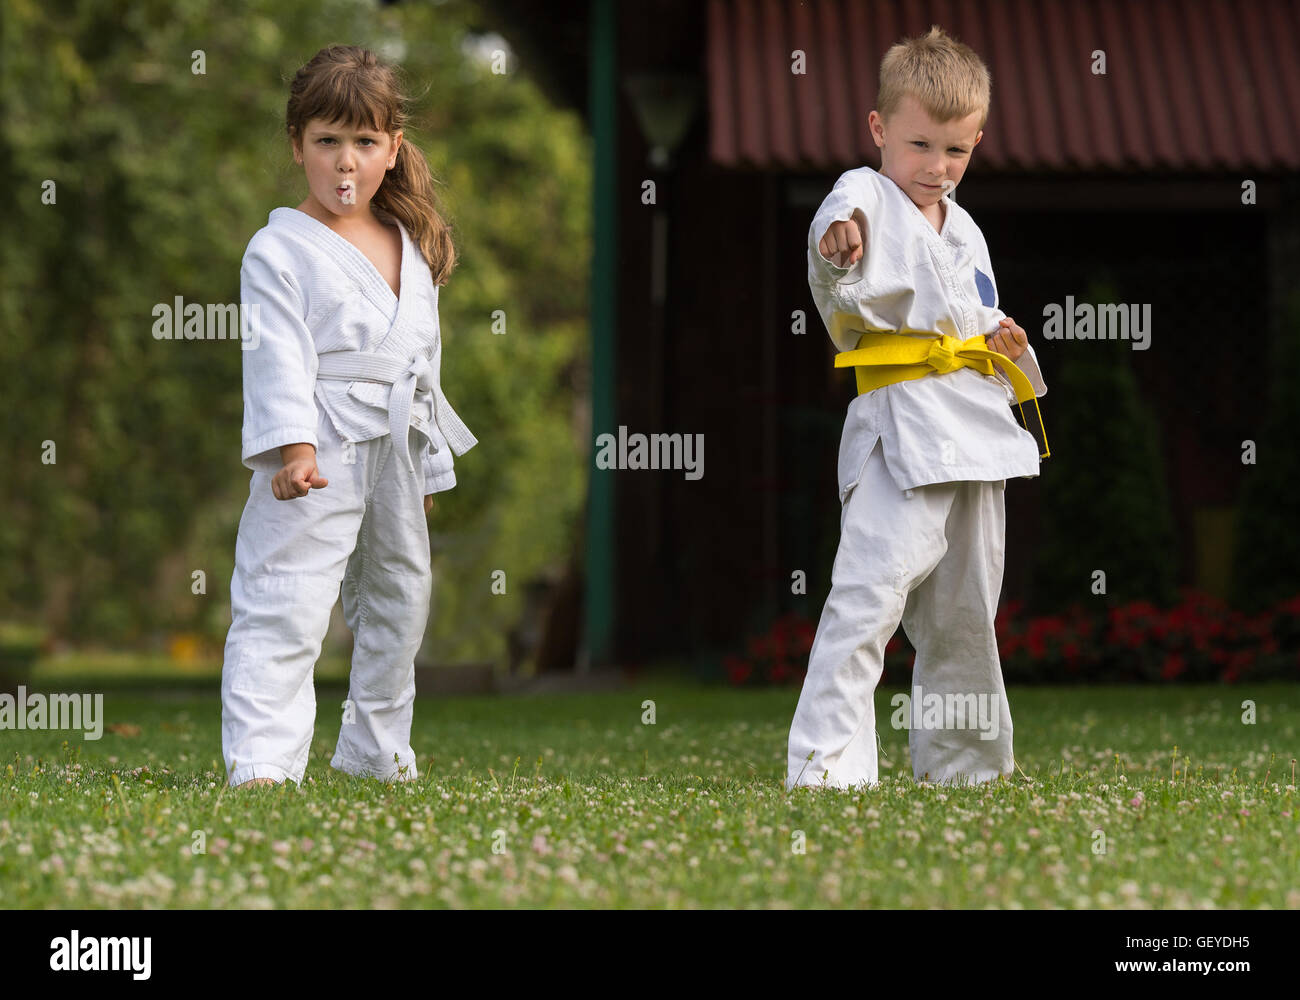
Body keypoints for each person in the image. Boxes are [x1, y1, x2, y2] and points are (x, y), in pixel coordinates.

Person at [786, 25, 1048, 790]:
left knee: (965, 612)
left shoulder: (965, 229)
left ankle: (965, 766)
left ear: (976, 144)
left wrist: (1001, 340)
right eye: (920, 146)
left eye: (957, 151)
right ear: (879, 130)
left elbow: (974, 317)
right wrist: (836, 246)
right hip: (898, 428)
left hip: (974, 429)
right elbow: (838, 244)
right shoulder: (862, 193)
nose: (937, 168)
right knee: (867, 595)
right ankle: (828, 765)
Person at [221, 45, 477, 788]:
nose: (345, 162)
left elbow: (422, 368)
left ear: (393, 151)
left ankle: (375, 748)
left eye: (364, 143)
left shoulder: (410, 249)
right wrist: (294, 448)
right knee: (286, 596)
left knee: (400, 598)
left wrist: (426, 464)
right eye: (328, 141)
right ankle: (264, 759)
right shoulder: (277, 250)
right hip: (319, 443)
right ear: (297, 145)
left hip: (396, 442)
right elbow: (276, 355)